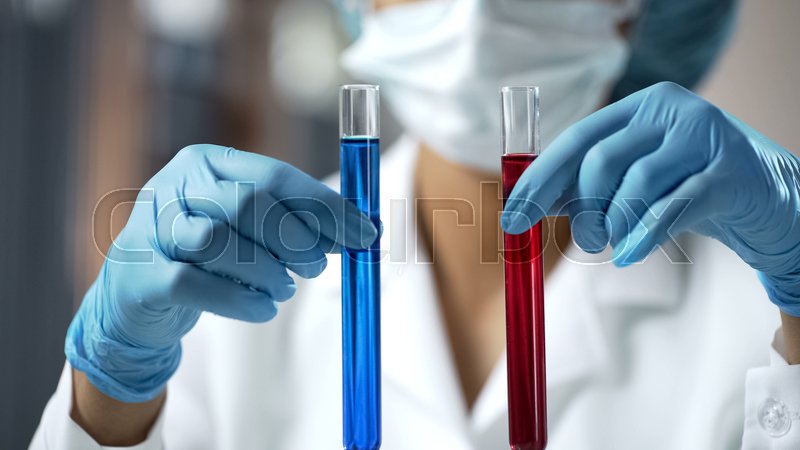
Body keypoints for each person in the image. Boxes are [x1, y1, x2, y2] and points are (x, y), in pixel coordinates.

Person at [30, 0, 800, 448]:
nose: (474, 12)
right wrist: (108, 391)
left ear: (636, 11)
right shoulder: (223, 289)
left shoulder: (761, 313)